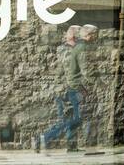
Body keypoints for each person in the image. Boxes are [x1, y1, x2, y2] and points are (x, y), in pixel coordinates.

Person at [38, 24, 98, 153]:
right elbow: (74, 72)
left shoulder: (64, 49)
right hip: (67, 89)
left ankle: (71, 145)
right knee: (72, 119)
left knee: (72, 118)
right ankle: (44, 138)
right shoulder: (71, 51)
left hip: (64, 88)